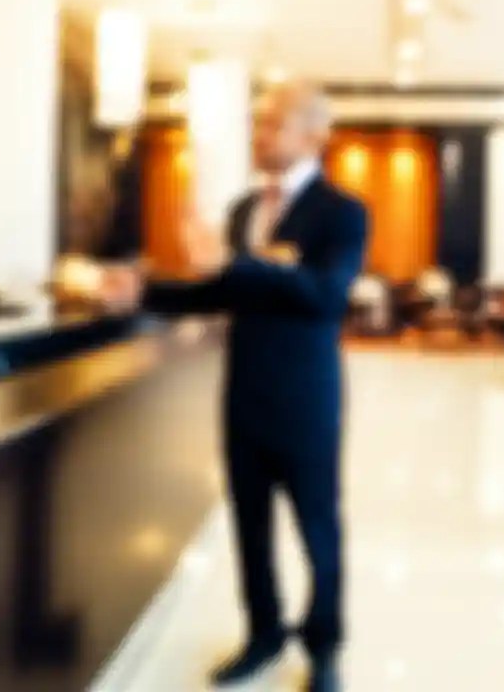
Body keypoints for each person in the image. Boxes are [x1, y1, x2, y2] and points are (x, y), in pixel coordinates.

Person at [103, 82, 367, 692]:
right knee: (250, 528)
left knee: (317, 530)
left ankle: (324, 645)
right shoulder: (245, 210)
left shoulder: (341, 213)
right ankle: (264, 633)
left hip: (306, 401)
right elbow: (218, 292)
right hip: (243, 395)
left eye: (273, 123)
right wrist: (143, 292)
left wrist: (235, 265)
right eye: (259, 122)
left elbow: (325, 296)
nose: (260, 133)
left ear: (312, 135)